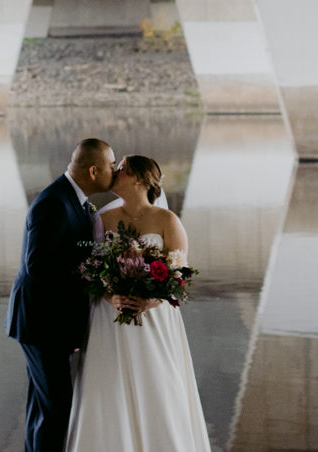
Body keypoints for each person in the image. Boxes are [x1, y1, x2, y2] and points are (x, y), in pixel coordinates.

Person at [66, 155, 211, 451]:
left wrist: (149, 300)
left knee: (158, 383)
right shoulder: (102, 219)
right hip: (110, 317)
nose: (116, 170)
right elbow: (90, 269)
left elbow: (180, 274)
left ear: (140, 179)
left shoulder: (167, 220)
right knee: (107, 385)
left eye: (123, 168)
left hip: (154, 319)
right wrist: (111, 295)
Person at [8, 137, 116, 452]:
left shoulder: (78, 201)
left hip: (50, 324)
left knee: (43, 408)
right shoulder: (53, 202)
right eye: (111, 165)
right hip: (42, 325)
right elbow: (38, 267)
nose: (115, 169)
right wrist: (95, 278)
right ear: (94, 170)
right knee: (57, 410)